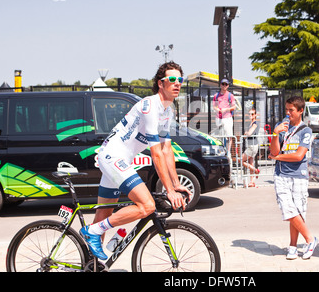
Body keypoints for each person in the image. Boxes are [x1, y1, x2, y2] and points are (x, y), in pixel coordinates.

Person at [80, 62, 191, 260]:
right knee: (147, 206)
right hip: (113, 157)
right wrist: (170, 191)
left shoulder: (168, 111)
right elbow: (155, 153)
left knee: (104, 213)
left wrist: (176, 184)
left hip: (119, 159)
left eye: (180, 80)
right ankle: (91, 232)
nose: (177, 84)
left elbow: (166, 150)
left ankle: (93, 264)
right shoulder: (150, 106)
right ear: (160, 83)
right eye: (172, 79)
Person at [269, 96, 317, 260]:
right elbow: (274, 151)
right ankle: (310, 239)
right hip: (281, 175)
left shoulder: (306, 130)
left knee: (297, 211)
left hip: (299, 175)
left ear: (301, 111)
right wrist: (276, 134)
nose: (288, 113)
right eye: (286, 109)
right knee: (287, 209)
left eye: (291, 110)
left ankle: (293, 246)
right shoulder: (282, 127)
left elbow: (298, 156)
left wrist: (278, 158)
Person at [213, 78, 237, 160]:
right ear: (220, 85)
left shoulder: (230, 95)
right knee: (220, 135)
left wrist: (226, 109)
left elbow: (234, 107)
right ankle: (221, 150)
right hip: (219, 117)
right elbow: (214, 106)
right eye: (223, 84)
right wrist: (218, 109)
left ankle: (228, 151)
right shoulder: (216, 95)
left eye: (226, 84)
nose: (224, 86)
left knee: (229, 135)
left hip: (227, 117)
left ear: (228, 86)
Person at [242, 107, 260, 187]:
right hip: (251, 145)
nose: (250, 115)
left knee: (240, 160)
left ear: (255, 115)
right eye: (249, 114)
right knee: (250, 163)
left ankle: (255, 170)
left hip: (252, 146)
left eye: (252, 114)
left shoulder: (255, 123)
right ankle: (252, 181)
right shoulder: (251, 123)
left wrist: (246, 133)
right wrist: (246, 134)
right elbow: (247, 135)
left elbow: (249, 134)